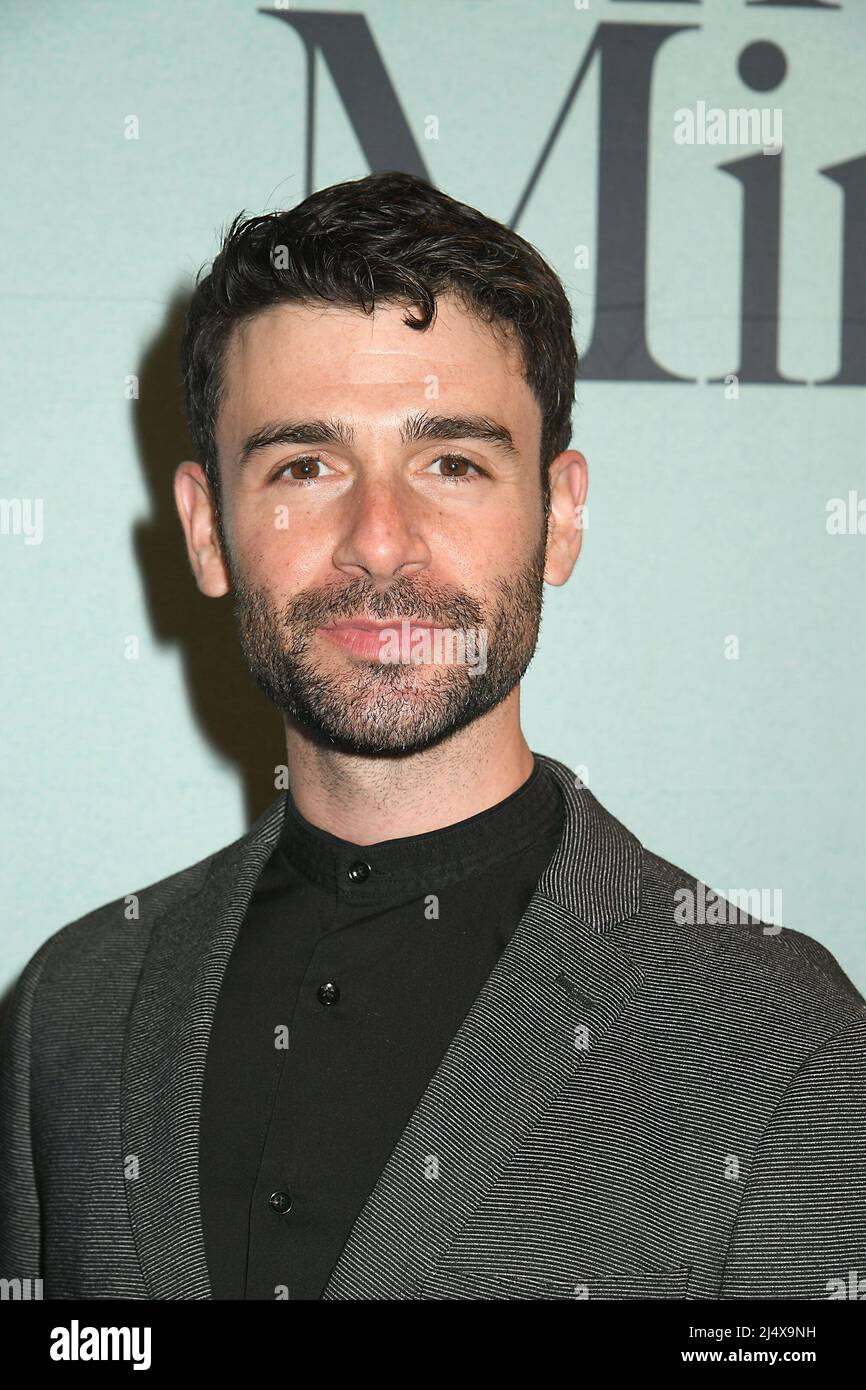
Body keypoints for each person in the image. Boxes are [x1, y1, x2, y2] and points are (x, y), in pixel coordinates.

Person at [2, 172, 864, 1302]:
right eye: (303, 466)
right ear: (208, 531)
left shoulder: (778, 1041)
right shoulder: (71, 1008)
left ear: (558, 516)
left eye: (451, 461)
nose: (379, 541)